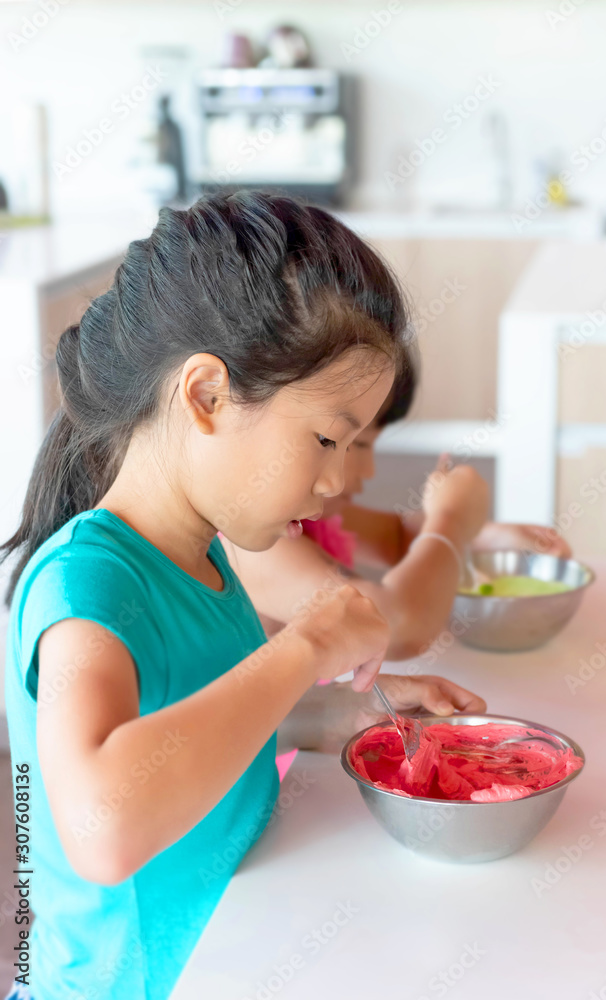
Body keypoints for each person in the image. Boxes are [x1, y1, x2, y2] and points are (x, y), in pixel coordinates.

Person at [1, 192, 486, 1000]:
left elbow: (190, 717)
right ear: (206, 396)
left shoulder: (205, 555)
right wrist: (302, 650)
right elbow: (101, 827)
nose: (337, 480)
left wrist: (334, 716)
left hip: (235, 954)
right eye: (327, 438)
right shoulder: (89, 582)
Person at [221, 351, 572, 663]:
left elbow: (397, 538)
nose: (369, 471)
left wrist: (491, 537)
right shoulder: (250, 545)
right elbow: (398, 628)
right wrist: (450, 520)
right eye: (348, 444)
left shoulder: (309, 514)